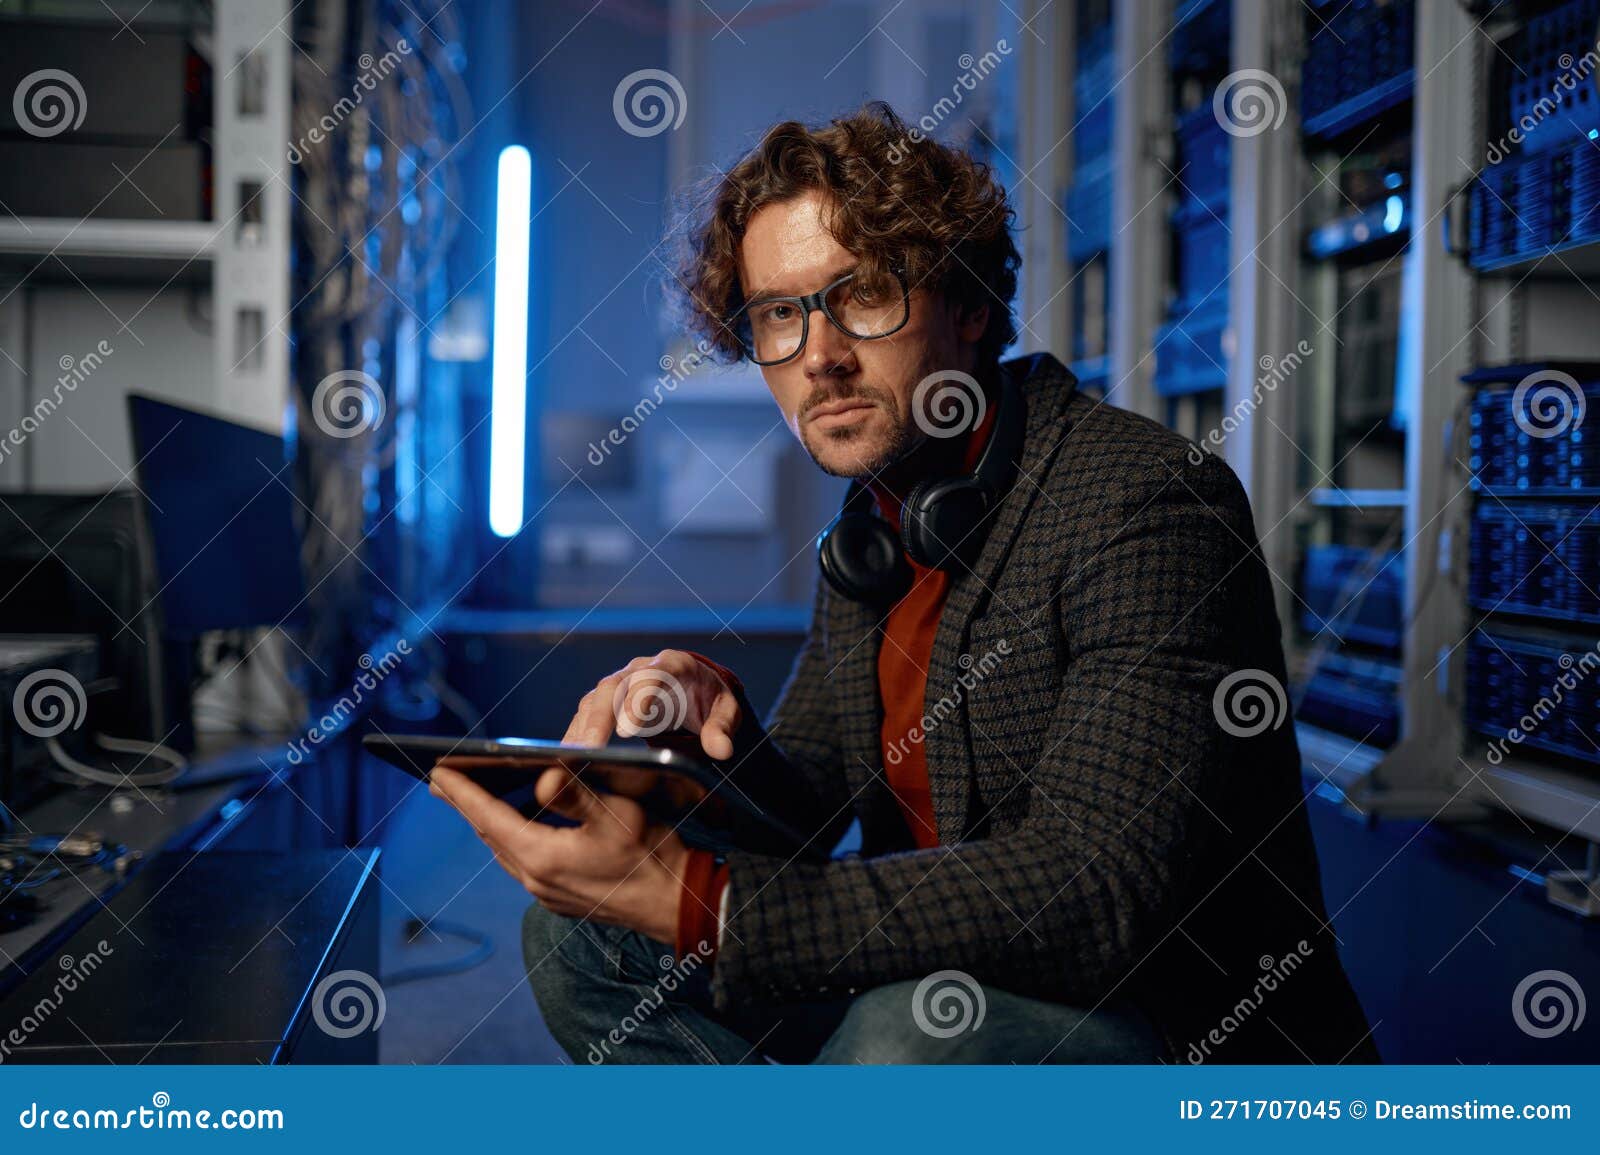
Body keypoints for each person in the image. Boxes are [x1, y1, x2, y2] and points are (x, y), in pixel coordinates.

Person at [430, 103, 1376, 1065]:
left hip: (1179, 1037)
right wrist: (690, 743)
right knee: (585, 941)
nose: (821, 356)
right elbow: (801, 804)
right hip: (954, 991)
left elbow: (1098, 889)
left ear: (968, 305)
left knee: (906, 1030)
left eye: (867, 293)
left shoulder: (1146, 501)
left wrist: (709, 904)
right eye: (778, 315)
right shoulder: (875, 532)